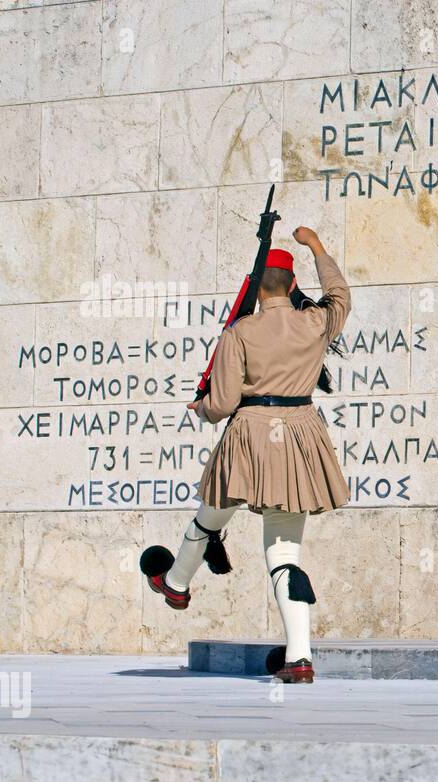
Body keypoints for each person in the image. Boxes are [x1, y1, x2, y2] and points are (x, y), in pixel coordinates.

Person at [139, 227, 350, 685]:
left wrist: (201, 407)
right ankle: (299, 656)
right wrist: (316, 248)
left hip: (249, 437)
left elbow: (220, 404)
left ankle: (176, 584)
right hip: (300, 439)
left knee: (210, 518)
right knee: (284, 553)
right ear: (293, 286)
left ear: (256, 289)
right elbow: (339, 295)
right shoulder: (315, 323)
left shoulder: (241, 332)